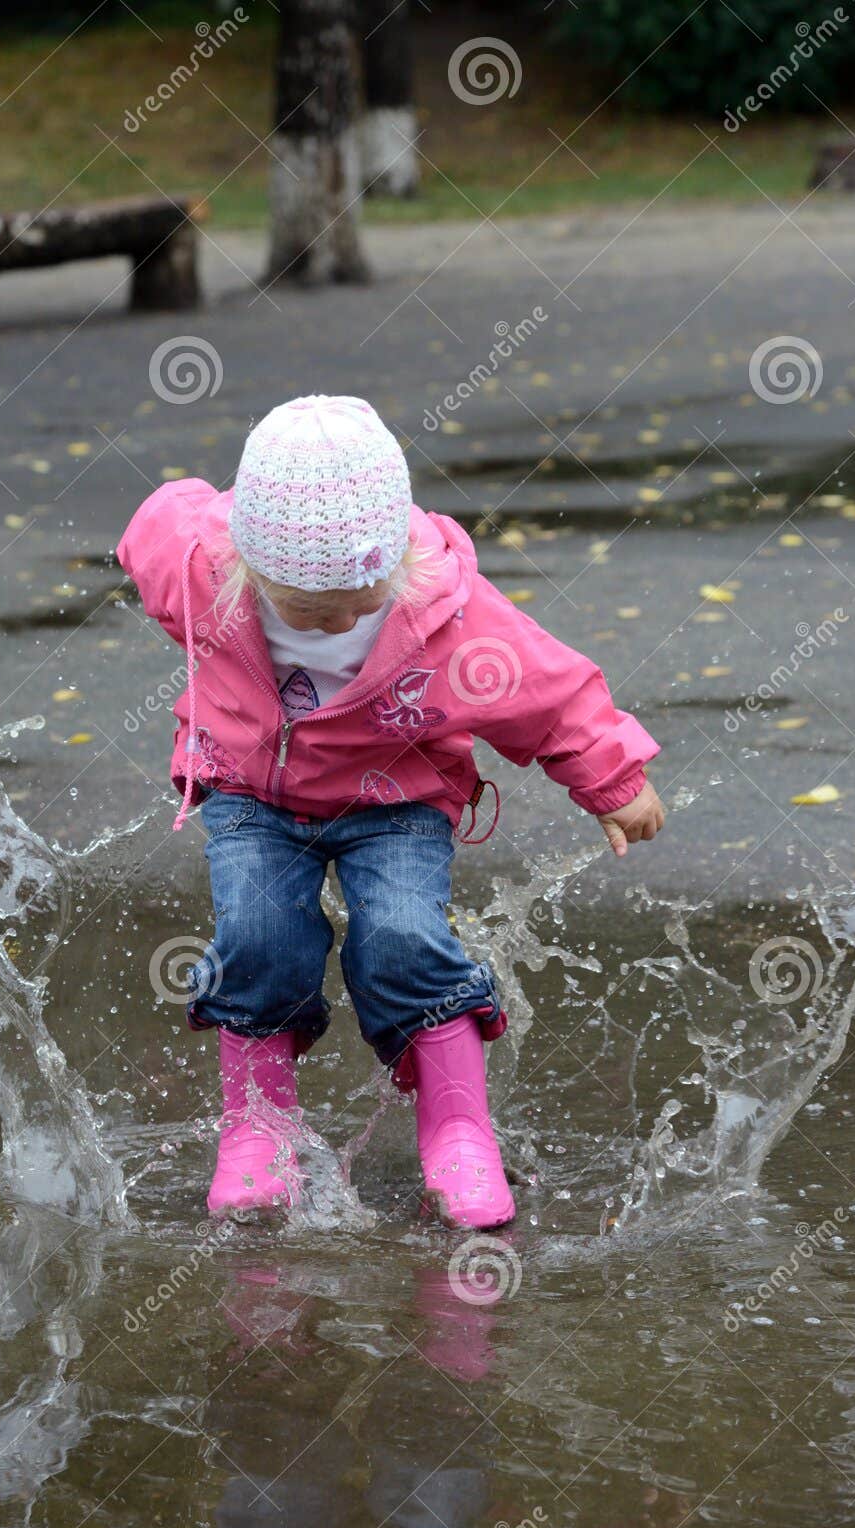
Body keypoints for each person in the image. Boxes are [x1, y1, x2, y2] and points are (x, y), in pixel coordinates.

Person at [117, 395, 663, 1228]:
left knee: (404, 938)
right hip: (249, 794)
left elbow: (548, 691)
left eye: (359, 601)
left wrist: (612, 777)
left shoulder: (444, 609)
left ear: (398, 558)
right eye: (310, 608)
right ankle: (256, 1132)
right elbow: (155, 526)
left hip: (397, 801)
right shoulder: (201, 570)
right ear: (248, 563)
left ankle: (456, 1131)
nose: (338, 619)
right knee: (256, 937)